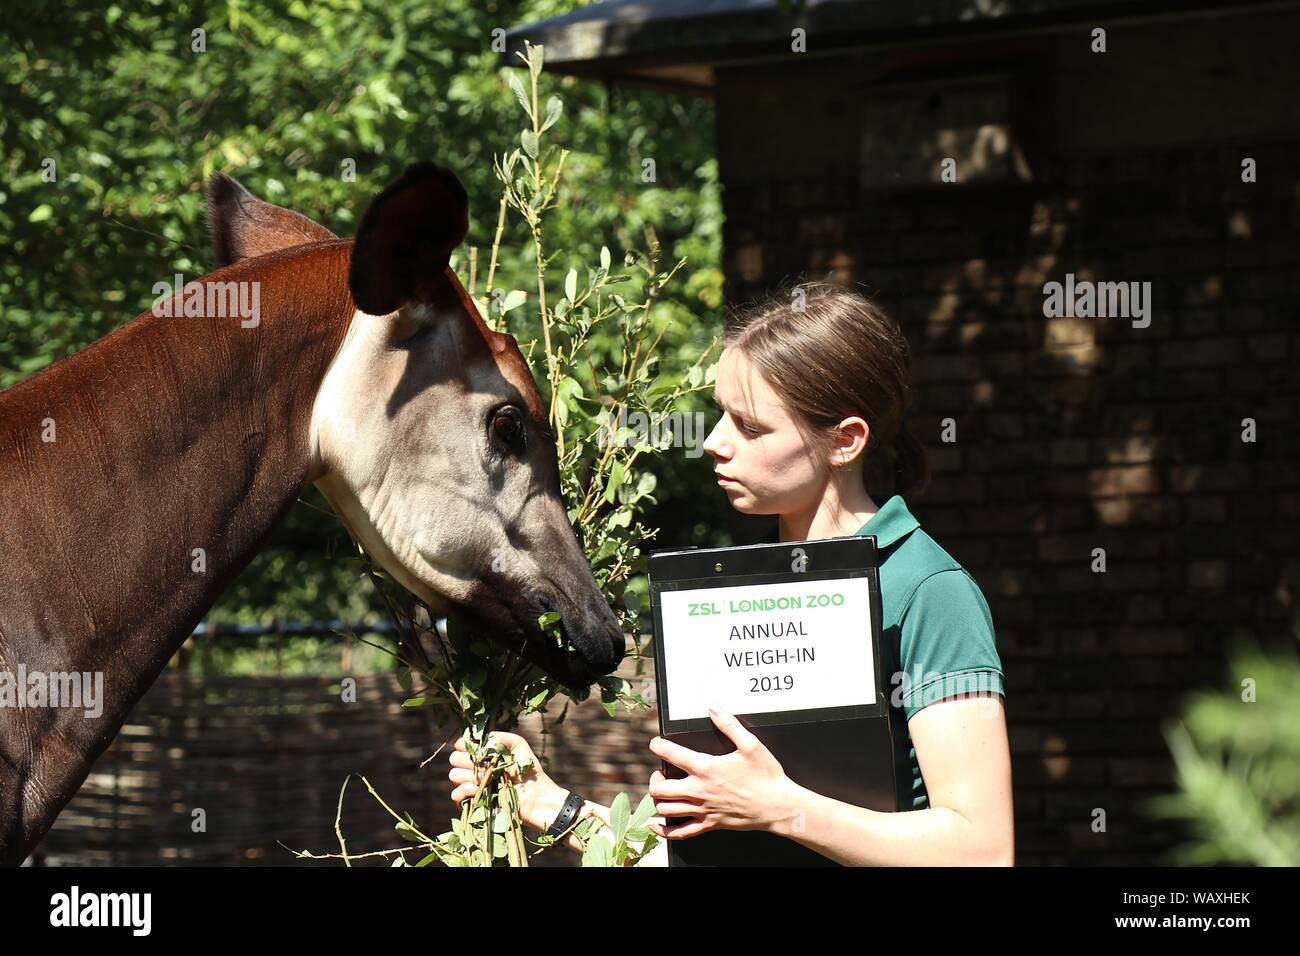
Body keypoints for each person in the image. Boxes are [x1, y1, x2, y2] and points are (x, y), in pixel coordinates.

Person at [447, 280, 1014, 866]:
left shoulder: (928, 590)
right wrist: (551, 805)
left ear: (845, 441)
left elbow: (983, 852)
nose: (714, 442)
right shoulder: (740, 590)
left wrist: (781, 808)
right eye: (721, 414)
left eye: (750, 426)